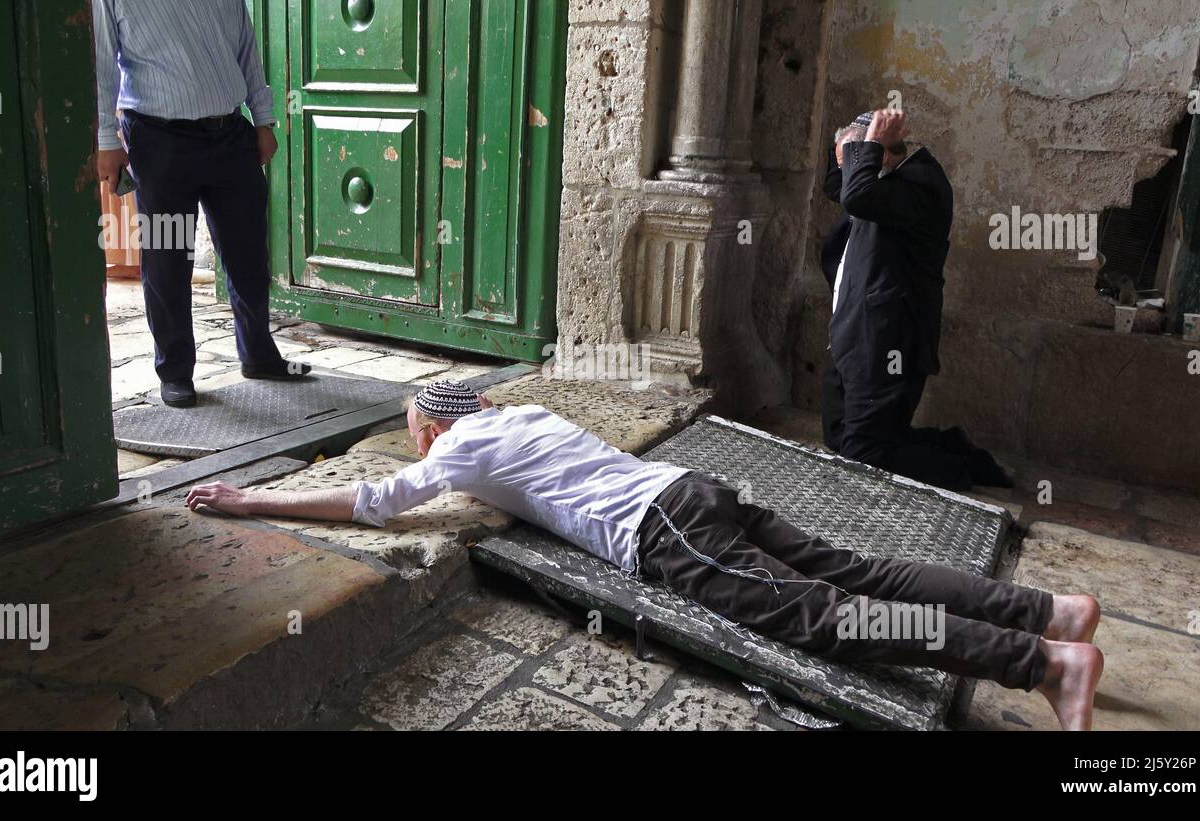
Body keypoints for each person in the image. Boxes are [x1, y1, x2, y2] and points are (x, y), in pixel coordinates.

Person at [187, 380, 1105, 730]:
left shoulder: (454, 449)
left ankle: (1044, 663)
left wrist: (247, 497)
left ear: (430, 424)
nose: (416, 445)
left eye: (413, 431)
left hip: (669, 536)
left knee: (833, 617)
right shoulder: (521, 416)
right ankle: (1050, 612)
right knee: (858, 572)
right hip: (696, 491)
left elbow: (369, 505)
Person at [93, 0, 310, 408]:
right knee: (168, 256)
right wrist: (107, 141)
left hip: (230, 135)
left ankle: (259, 355)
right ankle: (174, 371)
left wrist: (262, 120)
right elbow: (102, 66)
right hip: (157, 141)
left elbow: (246, 47)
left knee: (248, 253)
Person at [821, 109, 1011, 491]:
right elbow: (839, 186)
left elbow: (856, 194)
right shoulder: (881, 181)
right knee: (840, 434)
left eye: (854, 161)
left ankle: (958, 471)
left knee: (863, 451)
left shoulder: (920, 183)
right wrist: (857, 143)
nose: (846, 174)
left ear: (881, 154)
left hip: (889, 342)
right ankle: (954, 445)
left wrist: (870, 142)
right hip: (854, 333)